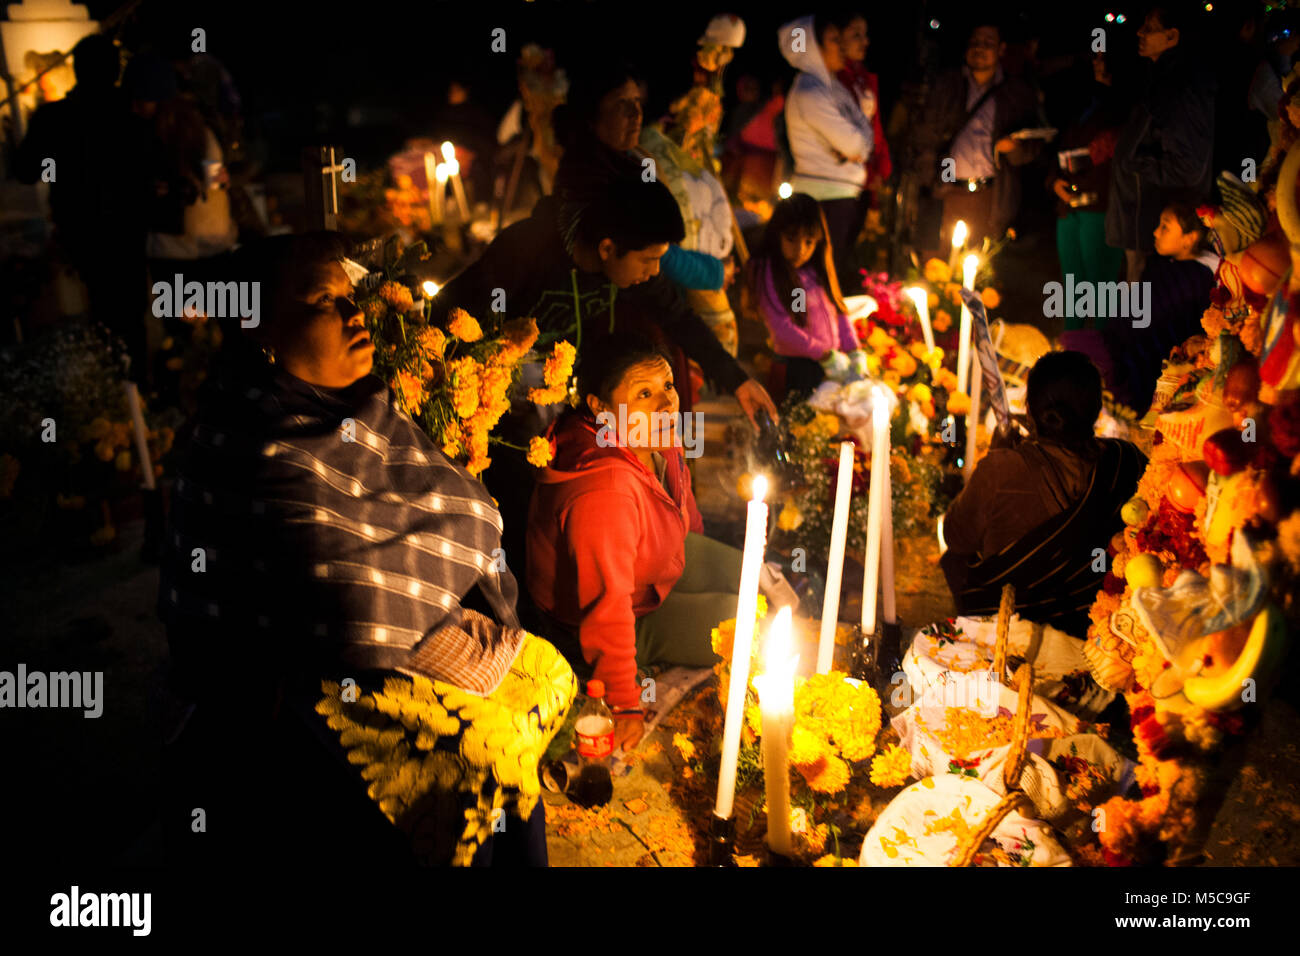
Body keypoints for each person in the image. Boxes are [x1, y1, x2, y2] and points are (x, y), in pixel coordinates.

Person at [160, 233, 567, 866]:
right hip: (301, 703)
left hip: (412, 651)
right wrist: (425, 620)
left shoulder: (368, 409)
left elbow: (459, 514)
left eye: (351, 296)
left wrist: (443, 609)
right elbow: (336, 597)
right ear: (261, 327)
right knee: (473, 757)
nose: (355, 315)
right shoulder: (245, 447)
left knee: (531, 699)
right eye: (325, 300)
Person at [527, 336, 778, 752]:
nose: (665, 403)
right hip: (609, 616)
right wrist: (624, 704)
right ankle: (638, 658)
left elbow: (683, 507)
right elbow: (606, 606)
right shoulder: (604, 490)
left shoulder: (650, 431)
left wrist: (695, 564)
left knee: (759, 578)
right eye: (644, 393)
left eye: (668, 386)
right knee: (755, 629)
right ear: (601, 408)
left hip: (656, 562)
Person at [941, 351, 1147, 637]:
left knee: (954, 559)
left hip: (1012, 631)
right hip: (1100, 628)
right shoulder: (1126, 460)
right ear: (1097, 410)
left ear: (1029, 409)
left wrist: (996, 455)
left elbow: (955, 536)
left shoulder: (1001, 468)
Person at [15, 34, 152, 376]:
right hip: (125, 230)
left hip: (84, 230)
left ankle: (118, 393)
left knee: (102, 314)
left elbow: (25, 169)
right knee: (129, 314)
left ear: (77, 70)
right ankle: (133, 390)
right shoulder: (133, 118)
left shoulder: (56, 119)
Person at [908, 19, 1044, 261]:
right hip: (946, 190)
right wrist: (930, 180)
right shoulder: (947, 84)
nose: (980, 48)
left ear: (1001, 49)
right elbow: (923, 136)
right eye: (975, 42)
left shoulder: (1015, 92)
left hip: (989, 195)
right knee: (935, 267)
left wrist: (1015, 148)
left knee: (978, 271)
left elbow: (1036, 142)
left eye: (988, 43)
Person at [1106, 3, 1216, 283]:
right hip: (1146, 223)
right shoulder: (1160, 78)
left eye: (1150, 29)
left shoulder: (1180, 86)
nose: (1140, 33)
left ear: (1172, 36)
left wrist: (1131, 161)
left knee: (1148, 310)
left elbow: (1187, 166)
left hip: (1157, 227)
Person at [778, 13, 874, 269]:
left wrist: (859, 142)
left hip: (840, 195)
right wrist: (858, 144)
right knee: (818, 275)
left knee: (829, 275)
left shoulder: (833, 88)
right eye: (833, 40)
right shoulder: (810, 92)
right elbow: (856, 144)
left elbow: (864, 138)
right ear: (812, 48)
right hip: (823, 199)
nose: (842, 46)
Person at [1104, 202, 1219, 414]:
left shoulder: (1191, 279)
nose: (1156, 232)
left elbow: (1148, 324)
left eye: (1165, 227)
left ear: (1190, 238)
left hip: (1148, 372)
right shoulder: (1165, 265)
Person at [1052, 52, 1126, 361]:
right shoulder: (1076, 102)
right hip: (1069, 209)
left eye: (1104, 59)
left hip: (1101, 209)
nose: (1098, 66)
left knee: (1102, 289)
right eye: (1093, 59)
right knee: (1073, 287)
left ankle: (1100, 363)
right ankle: (1072, 354)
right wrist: (1053, 181)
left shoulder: (1127, 106)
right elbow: (1056, 147)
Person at [747, 193, 856, 400]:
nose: (800, 250)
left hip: (824, 366)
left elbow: (836, 310)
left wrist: (854, 351)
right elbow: (784, 330)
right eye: (791, 239)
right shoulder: (771, 272)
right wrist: (826, 354)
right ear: (776, 234)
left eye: (809, 242)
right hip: (795, 369)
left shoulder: (812, 272)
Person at [834, 12, 892, 214]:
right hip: (843, 177)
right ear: (836, 37)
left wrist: (881, 167)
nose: (865, 41)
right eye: (856, 35)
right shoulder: (833, 81)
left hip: (867, 177)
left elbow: (875, 126)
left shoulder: (864, 79)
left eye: (865, 35)